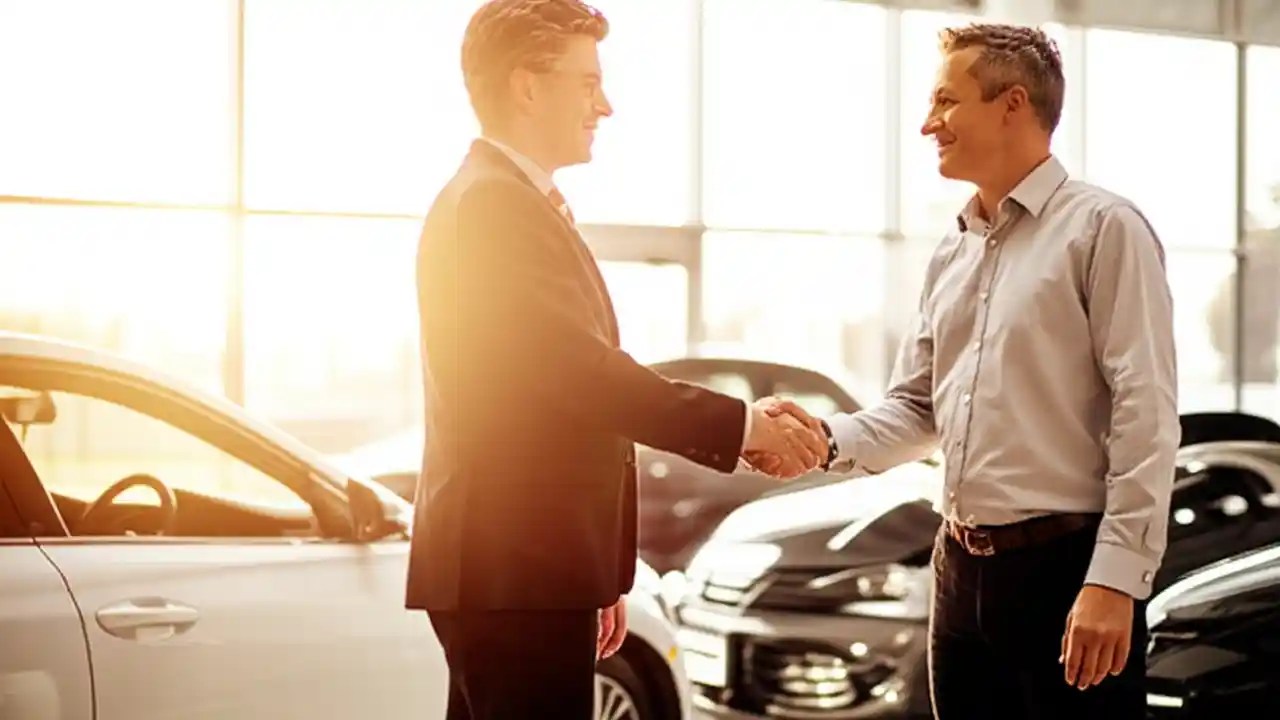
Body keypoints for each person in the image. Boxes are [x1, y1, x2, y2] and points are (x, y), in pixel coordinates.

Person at [405, 2, 826, 718]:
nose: (606, 104)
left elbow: (541, 397)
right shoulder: (494, 208)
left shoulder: (501, 201)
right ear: (527, 87)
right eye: (587, 81)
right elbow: (579, 375)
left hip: (527, 570)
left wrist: (598, 572)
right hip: (517, 575)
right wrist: (744, 426)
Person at [767, 22, 1179, 719]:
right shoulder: (950, 256)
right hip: (958, 573)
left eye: (946, 102)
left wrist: (1115, 580)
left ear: (1013, 104)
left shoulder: (1104, 229)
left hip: (1066, 571)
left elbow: (1146, 411)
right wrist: (824, 439)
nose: (929, 124)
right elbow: (916, 409)